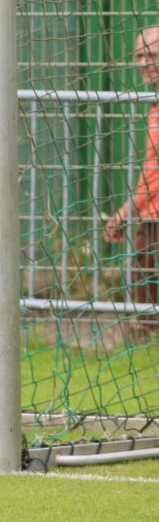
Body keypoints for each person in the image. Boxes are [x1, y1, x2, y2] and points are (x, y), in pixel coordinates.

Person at [104, 25, 159, 329]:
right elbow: (152, 166)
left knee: (146, 294)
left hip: (155, 217)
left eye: (152, 55)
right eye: (139, 55)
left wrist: (126, 213)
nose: (144, 62)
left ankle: (145, 337)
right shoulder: (153, 103)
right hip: (151, 213)